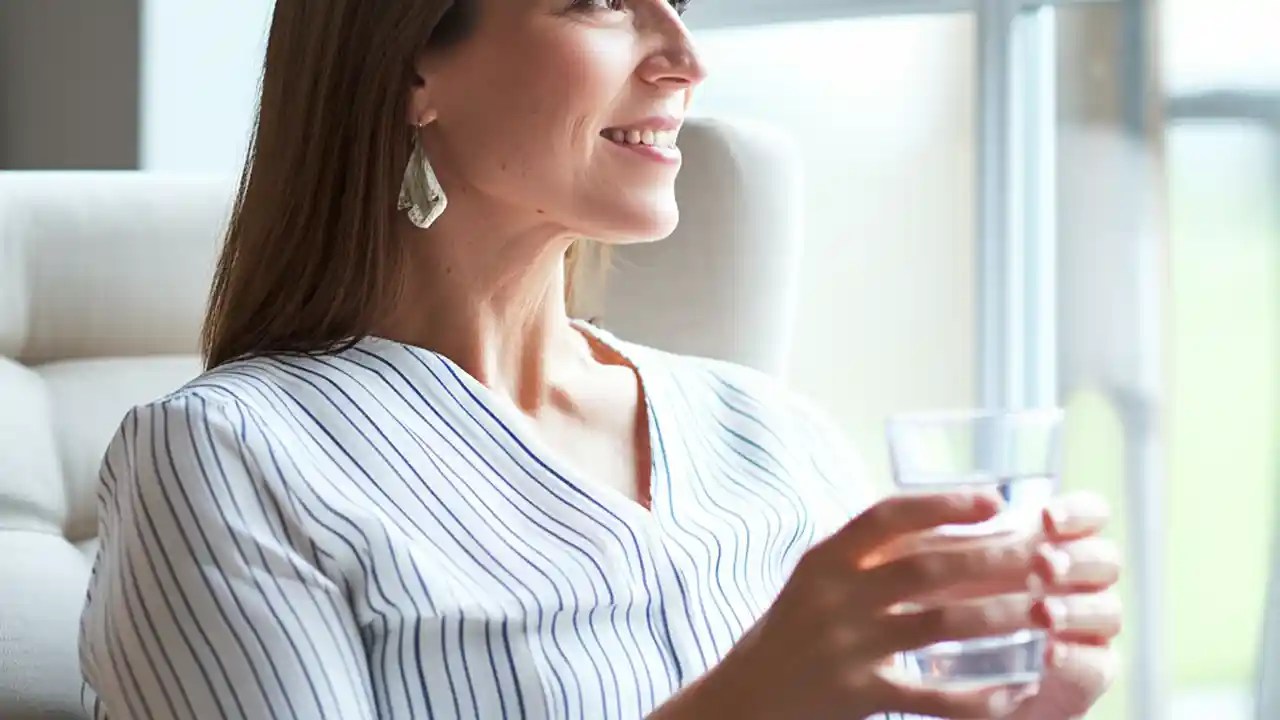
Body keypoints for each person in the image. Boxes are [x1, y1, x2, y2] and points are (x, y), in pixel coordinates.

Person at [78, 1, 1122, 718]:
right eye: (594, 1)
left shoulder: (768, 434)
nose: (682, 55)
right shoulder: (225, 460)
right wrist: (743, 704)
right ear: (408, 63)